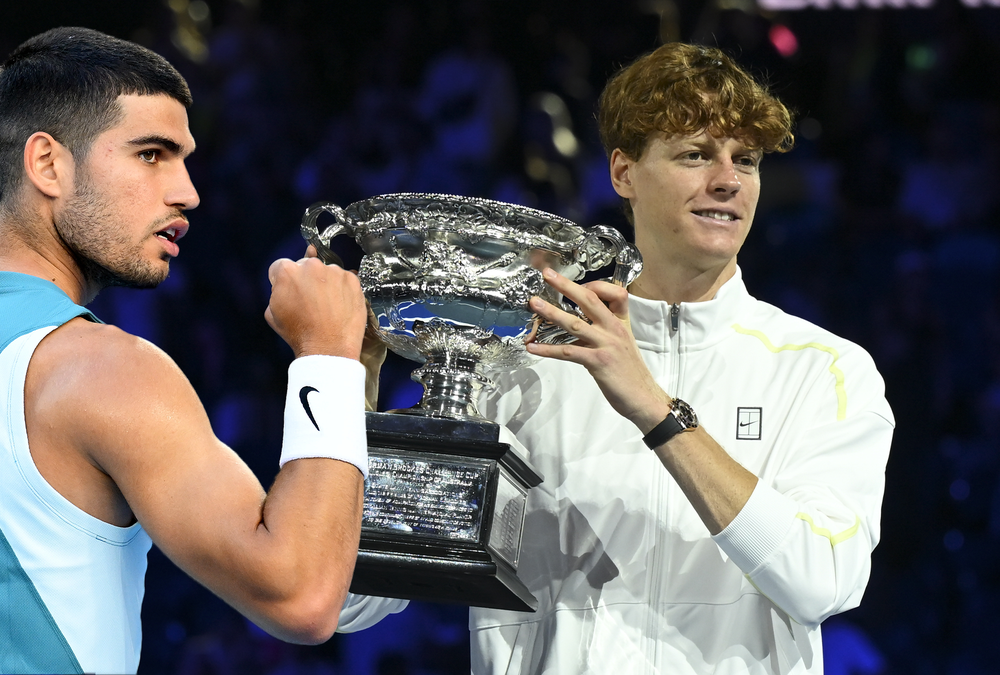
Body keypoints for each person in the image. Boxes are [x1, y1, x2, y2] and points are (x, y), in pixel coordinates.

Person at [0, 27, 370, 674]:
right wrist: (329, 354)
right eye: (151, 154)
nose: (187, 191)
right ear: (48, 163)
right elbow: (301, 596)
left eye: (183, 158)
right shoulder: (107, 371)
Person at [341, 43, 894, 674]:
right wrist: (350, 376)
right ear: (624, 173)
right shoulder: (520, 364)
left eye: (746, 160)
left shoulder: (825, 371)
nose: (728, 180)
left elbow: (823, 581)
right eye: (696, 154)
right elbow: (351, 602)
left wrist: (657, 411)